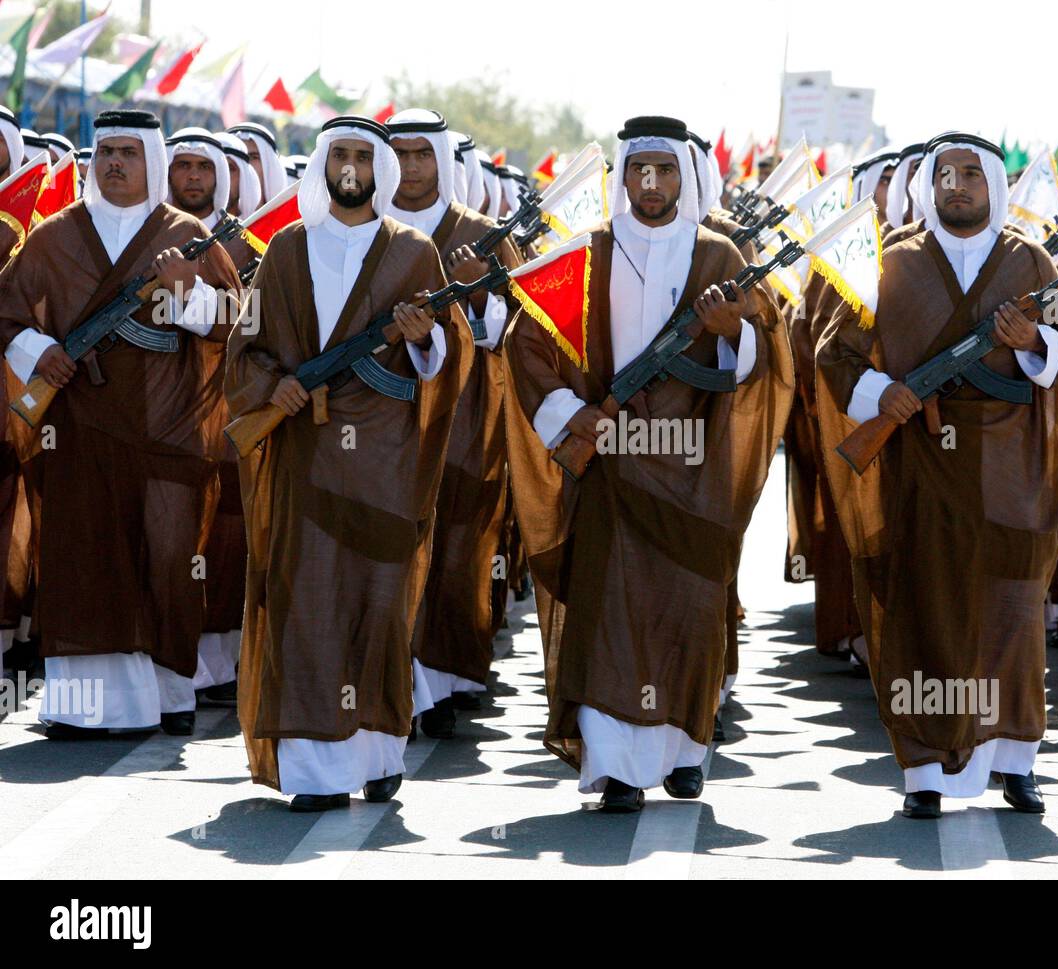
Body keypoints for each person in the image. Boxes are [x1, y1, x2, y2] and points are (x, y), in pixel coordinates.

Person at [503, 115, 793, 811]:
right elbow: (527, 341)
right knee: (608, 610)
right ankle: (617, 765)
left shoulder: (722, 257)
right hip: (608, 469)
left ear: (682, 178)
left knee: (687, 612)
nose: (652, 183)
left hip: (694, 470)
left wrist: (734, 335)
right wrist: (575, 418)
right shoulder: (587, 254)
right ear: (624, 175)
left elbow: (769, 352)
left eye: (665, 170)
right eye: (640, 170)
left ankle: (686, 749)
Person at [815, 132, 1058, 818]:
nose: (958, 185)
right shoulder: (892, 260)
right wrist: (882, 395)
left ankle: (1016, 759)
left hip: (1011, 467)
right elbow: (834, 350)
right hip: (920, 462)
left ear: (993, 187)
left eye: (972, 174)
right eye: (947, 174)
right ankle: (924, 772)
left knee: (1012, 615)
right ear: (930, 183)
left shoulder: (1029, 259)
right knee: (924, 608)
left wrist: (1034, 341)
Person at [225, 115, 473, 811]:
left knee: (379, 603)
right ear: (324, 165)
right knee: (306, 603)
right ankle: (313, 765)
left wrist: (423, 342)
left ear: (381, 169)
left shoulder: (415, 253)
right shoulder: (285, 249)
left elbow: (447, 358)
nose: (353, 166)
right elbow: (247, 346)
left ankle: (377, 749)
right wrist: (273, 383)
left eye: (366, 155)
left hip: (385, 461)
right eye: (342, 154)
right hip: (304, 455)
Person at [0, 109, 241, 738]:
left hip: (168, 430)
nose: (115, 163)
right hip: (77, 428)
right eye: (105, 151)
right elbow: (7, 314)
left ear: (150, 162)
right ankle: (81, 709)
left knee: (167, 562)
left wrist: (183, 290)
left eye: (129, 153)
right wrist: (37, 350)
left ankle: (167, 697)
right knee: (84, 563)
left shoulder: (185, 235)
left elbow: (241, 320)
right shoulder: (55, 237)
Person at [386, 108, 524, 738]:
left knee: (454, 549)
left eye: (422, 155)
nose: (411, 167)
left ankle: (439, 680)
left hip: (464, 414)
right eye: (402, 154)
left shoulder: (484, 233)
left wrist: (474, 292)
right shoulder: (362, 226)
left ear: (441, 161)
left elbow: (512, 336)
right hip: (376, 415)